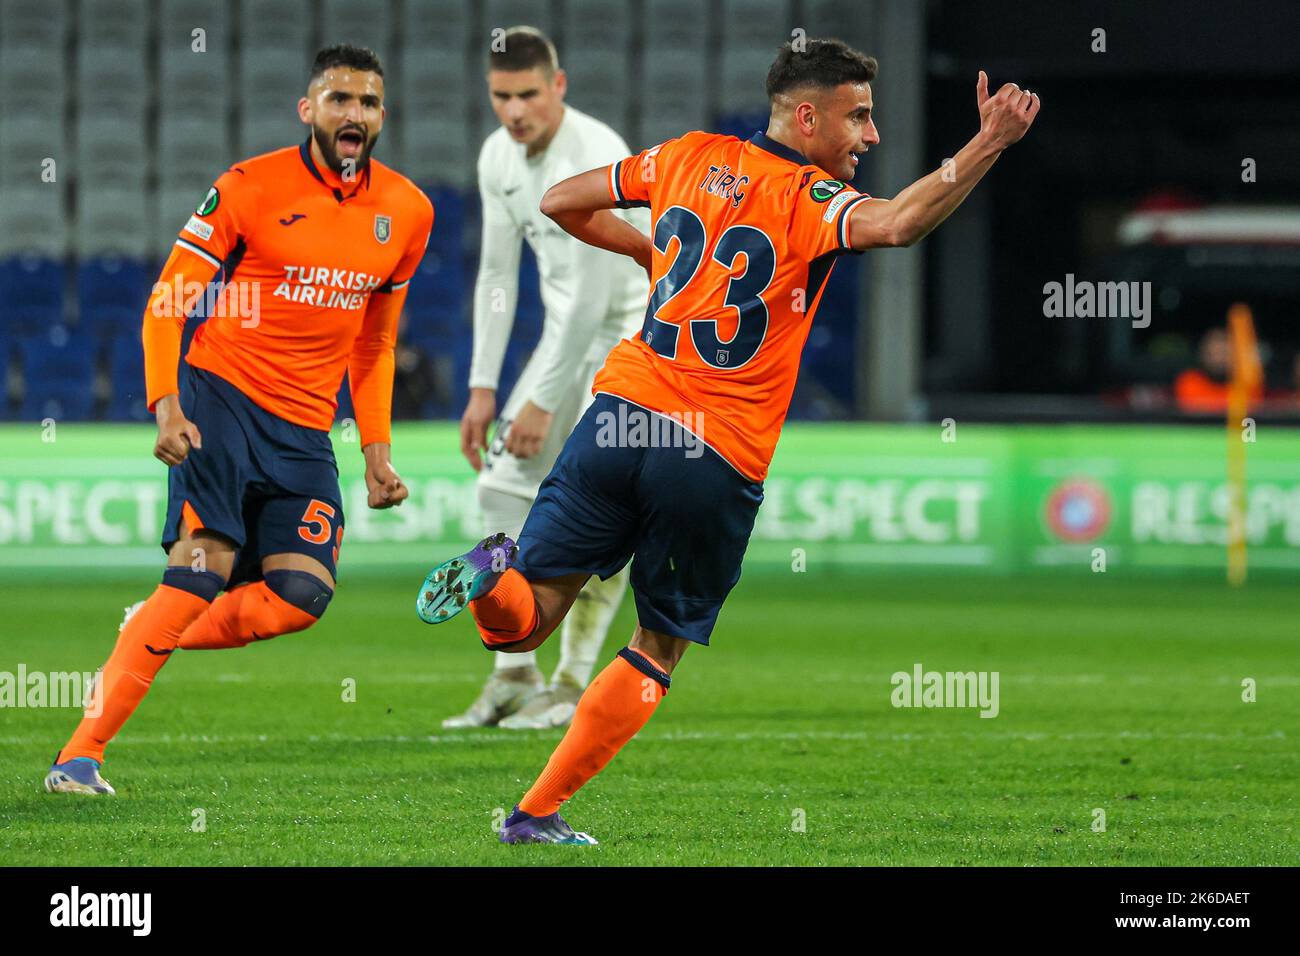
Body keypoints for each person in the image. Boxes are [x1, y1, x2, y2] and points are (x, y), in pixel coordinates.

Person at [418, 37, 1039, 844]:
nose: (871, 137)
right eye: (859, 118)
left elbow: (561, 202)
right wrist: (988, 141)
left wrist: (651, 248)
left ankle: (488, 568)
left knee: (525, 619)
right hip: (712, 451)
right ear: (805, 116)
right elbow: (898, 224)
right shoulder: (811, 197)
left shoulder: (685, 155)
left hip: (619, 418)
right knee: (656, 647)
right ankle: (534, 814)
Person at [45, 44, 434, 795]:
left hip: (307, 430)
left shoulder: (407, 211)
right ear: (308, 110)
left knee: (301, 598)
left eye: (368, 104)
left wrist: (376, 451)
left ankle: (150, 626)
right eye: (339, 100)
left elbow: (376, 339)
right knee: (202, 570)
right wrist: (167, 404)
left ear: (383, 116)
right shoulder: (249, 186)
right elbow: (168, 300)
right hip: (222, 400)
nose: (354, 115)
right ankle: (78, 756)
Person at [445, 27, 649, 730]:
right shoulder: (497, 155)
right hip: (565, 341)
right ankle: (513, 674)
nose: (514, 110)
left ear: (557, 86)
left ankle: (568, 682)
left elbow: (595, 298)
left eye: (528, 93)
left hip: (631, 340)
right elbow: (498, 276)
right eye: (501, 96)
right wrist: (482, 386)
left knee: (603, 506)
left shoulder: (593, 153)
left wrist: (541, 397)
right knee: (500, 486)